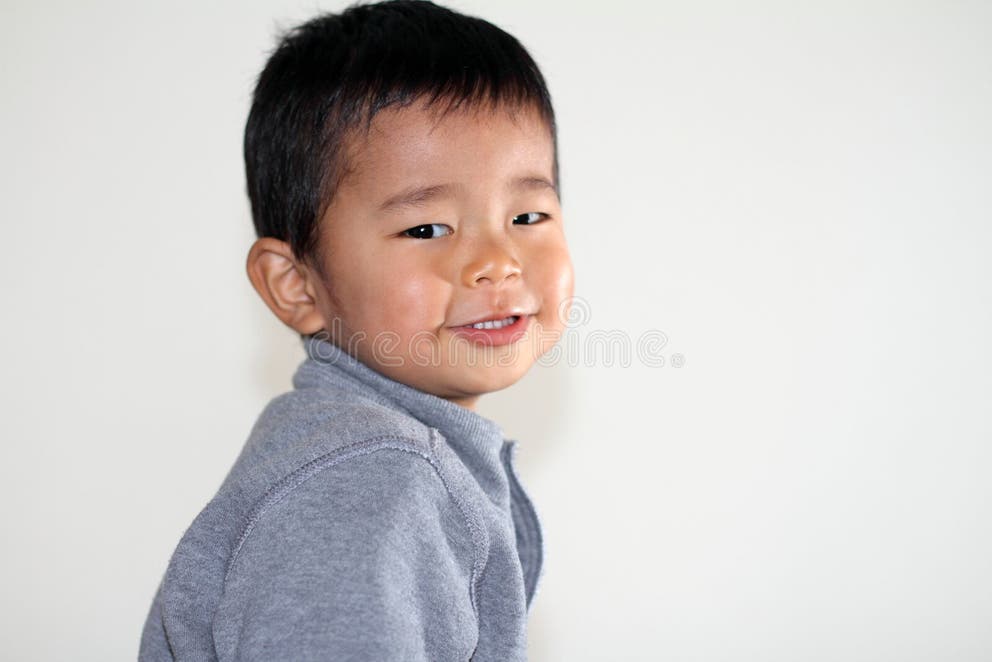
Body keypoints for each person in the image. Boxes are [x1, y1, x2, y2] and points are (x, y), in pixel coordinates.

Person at [139, 1, 574, 659]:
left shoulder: (369, 451)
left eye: (529, 215)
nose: (497, 262)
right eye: (427, 228)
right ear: (297, 284)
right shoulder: (367, 479)